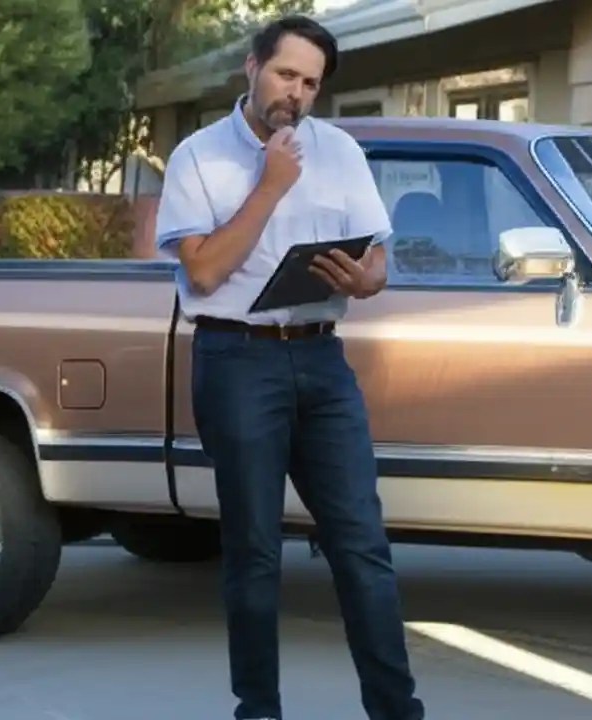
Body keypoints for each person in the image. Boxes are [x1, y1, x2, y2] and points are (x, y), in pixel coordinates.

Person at [152, 14, 426, 720]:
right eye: (285, 75)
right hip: (237, 360)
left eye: (310, 83)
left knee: (362, 544)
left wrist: (367, 280)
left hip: (321, 357)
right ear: (252, 67)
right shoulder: (197, 158)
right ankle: (259, 711)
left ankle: (397, 711)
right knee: (255, 551)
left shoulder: (339, 151)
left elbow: (377, 257)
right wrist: (271, 184)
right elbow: (204, 271)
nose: (296, 94)